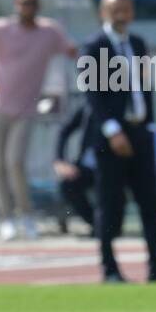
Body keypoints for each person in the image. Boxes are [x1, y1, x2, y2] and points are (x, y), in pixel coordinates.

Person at [0, 0, 78, 239]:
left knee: (15, 162)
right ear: (16, 5)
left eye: (32, 3)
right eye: (23, 3)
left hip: (26, 108)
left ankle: (27, 216)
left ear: (38, 6)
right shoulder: (1, 28)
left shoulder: (50, 32)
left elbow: (73, 51)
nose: (27, 8)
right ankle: (7, 219)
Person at [79, 0, 156, 282]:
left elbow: (143, 90)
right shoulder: (94, 46)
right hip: (111, 136)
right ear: (103, 12)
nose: (121, 12)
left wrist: (149, 125)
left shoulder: (138, 43)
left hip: (140, 132)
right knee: (109, 204)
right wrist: (113, 130)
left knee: (150, 202)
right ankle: (110, 269)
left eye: (126, 6)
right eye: (115, 7)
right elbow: (93, 95)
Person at [54, 99, 96, 235]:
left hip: (115, 166)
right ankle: (96, 223)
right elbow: (64, 131)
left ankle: (111, 225)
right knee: (69, 184)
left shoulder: (120, 103)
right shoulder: (88, 107)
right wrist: (60, 160)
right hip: (89, 166)